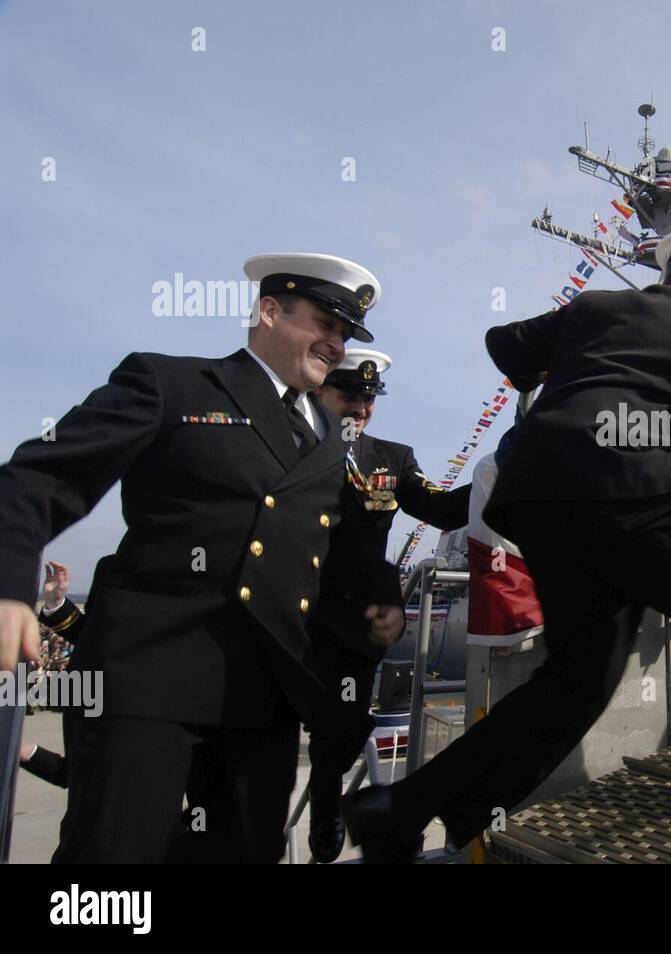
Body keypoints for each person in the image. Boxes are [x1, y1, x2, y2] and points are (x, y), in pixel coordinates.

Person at [344, 226, 671, 863]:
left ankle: (400, 807)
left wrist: (554, 368)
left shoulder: (593, 307)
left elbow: (503, 342)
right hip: (632, 481)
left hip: (536, 495)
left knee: (578, 679)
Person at [0, 252, 406, 862]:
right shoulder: (173, 384)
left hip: (261, 702)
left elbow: (349, 545)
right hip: (147, 682)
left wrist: (383, 598)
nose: (335, 343)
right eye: (324, 323)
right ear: (268, 311)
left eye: (345, 334)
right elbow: (36, 479)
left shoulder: (331, 441)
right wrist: (9, 588)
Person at [304, 348, 472, 863]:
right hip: (284, 609)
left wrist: (505, 474)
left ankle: (326, 804)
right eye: (349, 395)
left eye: (368, 398)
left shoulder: (391, 459)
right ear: (319, 391)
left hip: (352, 619)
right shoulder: (289, 446)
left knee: (348, 724)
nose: (360, 407)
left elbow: (442, 510)